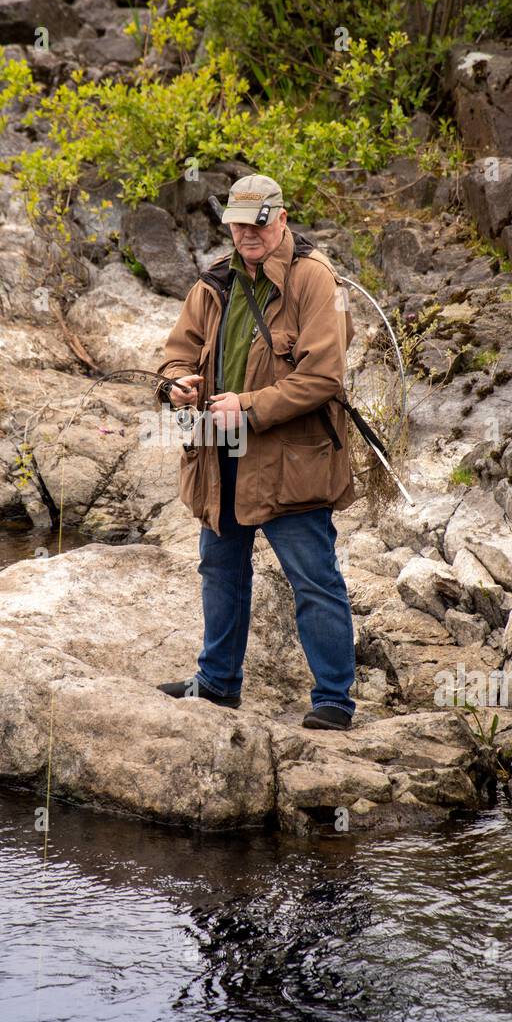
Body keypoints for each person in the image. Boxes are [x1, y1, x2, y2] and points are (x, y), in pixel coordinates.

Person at [153, 173, 358, 730]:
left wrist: (244, 405)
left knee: (313, 578)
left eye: (257, 223)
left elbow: (323, 378)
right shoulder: (213, 282)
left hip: (293, 460)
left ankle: (335, 701)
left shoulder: (317, 280)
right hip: (220, 455)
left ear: (281, 219)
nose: (247, 234)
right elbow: (176, 355)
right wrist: (177, 384)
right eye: (238, 224)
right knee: (219, 568)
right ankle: (217, 683)